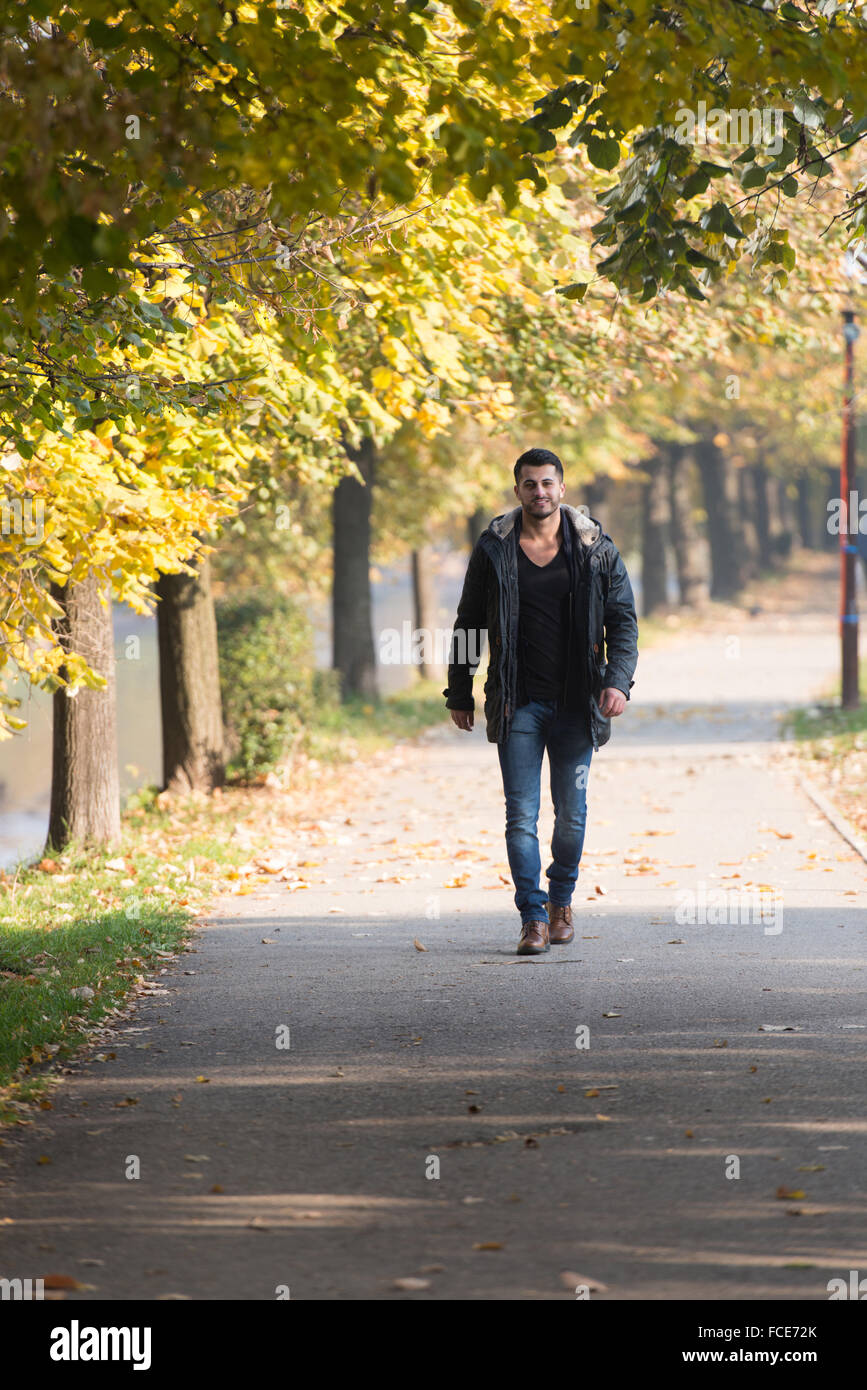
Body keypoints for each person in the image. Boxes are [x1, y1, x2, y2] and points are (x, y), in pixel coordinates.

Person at [443, 448, 639, 955]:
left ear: (562, 489)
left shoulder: (595, 547)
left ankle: (561, 900)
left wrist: (617, 681)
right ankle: (532, 917)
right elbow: (469, 623)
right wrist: (459, 690)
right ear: (518, 491)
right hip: (518, 704)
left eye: (548, 483)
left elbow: (623, 621)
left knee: (571, 817)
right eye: (530, 484)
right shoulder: (494, 548)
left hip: (578, 703)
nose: (540, 492)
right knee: (520, 816)